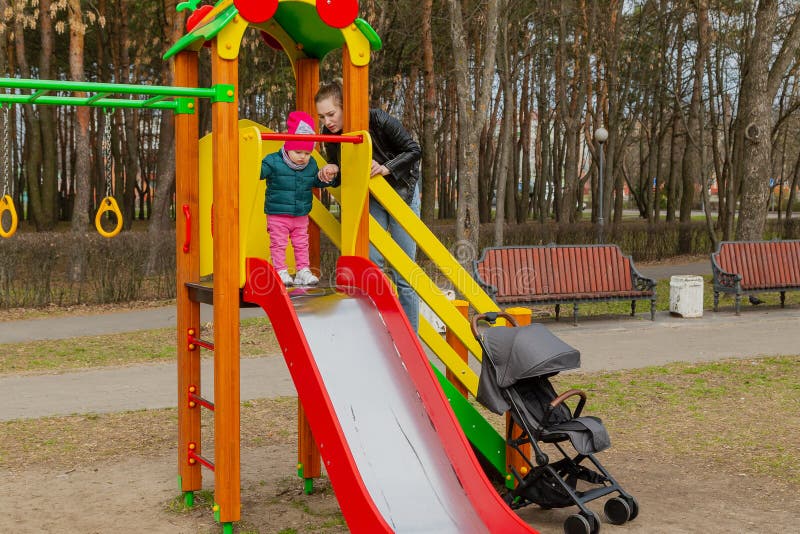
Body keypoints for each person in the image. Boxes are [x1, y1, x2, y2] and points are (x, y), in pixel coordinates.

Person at [315, 81, 422, 331]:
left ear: (346, 107)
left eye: (331, 114)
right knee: (371, 263)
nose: (327, 121)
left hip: (402, 193)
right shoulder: (330, 135)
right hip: (371, 197)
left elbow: (414, 150)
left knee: (404, 271)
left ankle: (411, 336)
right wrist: (332, 170)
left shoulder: (378, 120)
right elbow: (341, 170)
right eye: (322, 116)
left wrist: (386, 167)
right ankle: (380, 330)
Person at [260, 110, 339, 286]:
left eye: (307, 153)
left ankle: (303, 270)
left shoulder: (310, 164)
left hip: (301, 214)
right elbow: (257, 172)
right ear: (288, 147)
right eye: (298, 152)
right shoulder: (273, 161)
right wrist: (250, 164)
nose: (303, 157)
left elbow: (315, 181)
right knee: (279, 244)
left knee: (302, 243)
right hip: (278, 214)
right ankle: (280, 270)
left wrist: (324, 176)